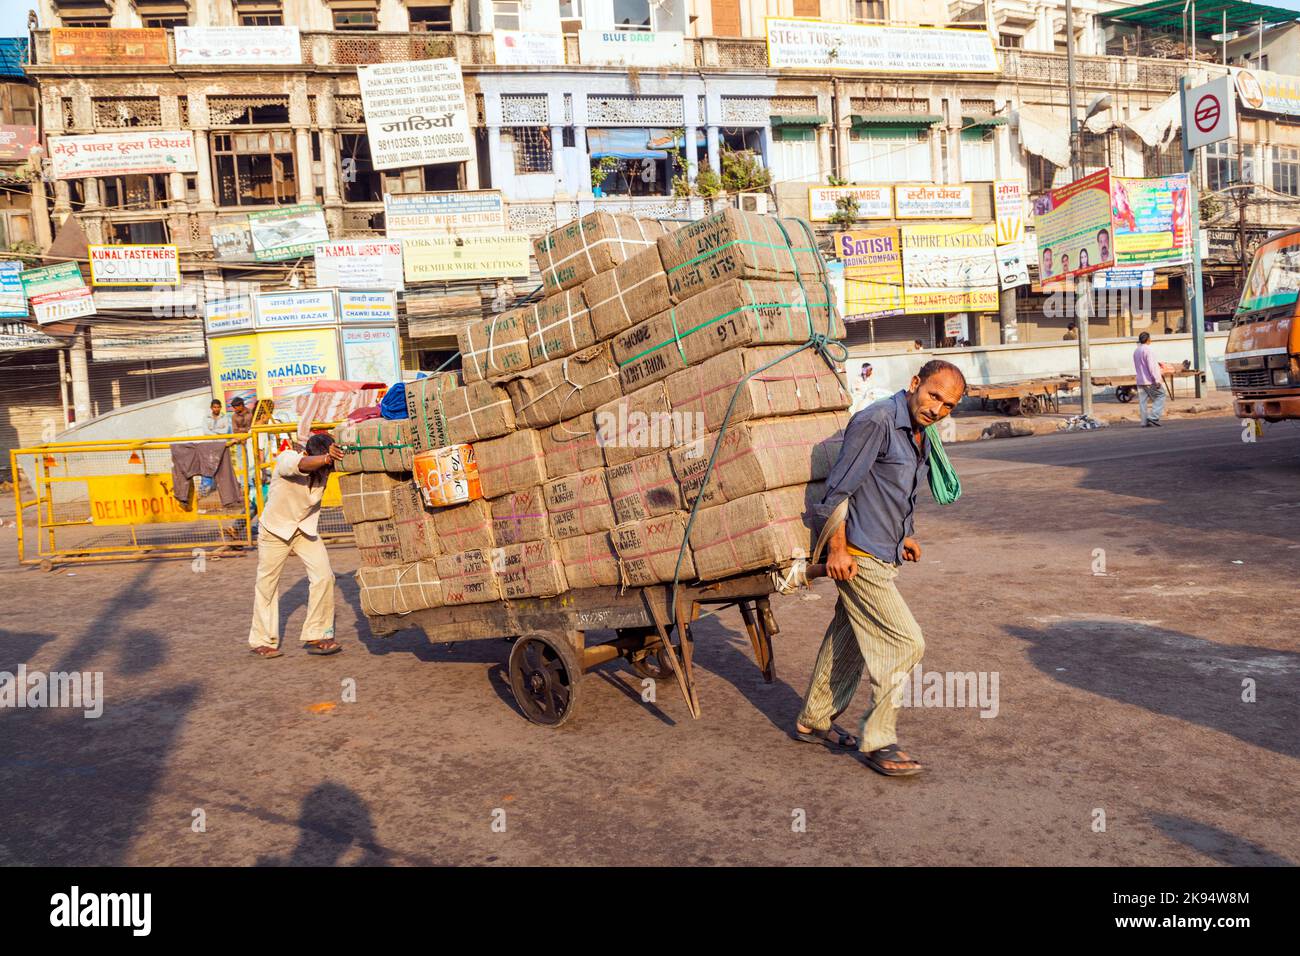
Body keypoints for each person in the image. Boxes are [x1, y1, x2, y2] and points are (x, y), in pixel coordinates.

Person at [795, 360, 966, 777]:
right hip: (858, 553)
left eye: (948, 405)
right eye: (933, 396)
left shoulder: (919, 431)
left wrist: (905, 533)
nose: (938, 409)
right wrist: (837, 549)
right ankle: (879, 738)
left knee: (849, 636)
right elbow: (839, 488)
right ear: (914, 384)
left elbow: (894, 488)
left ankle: (813, 719)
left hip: (882, 550)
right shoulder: (877, 421)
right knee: (905, 643)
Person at [248, 432, 345, 658]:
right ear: (311, 454)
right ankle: (262, 640)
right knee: (267, 585)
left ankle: (318, 633)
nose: (326, 472)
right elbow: (302, 464)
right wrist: (325, 460)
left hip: (304, 529)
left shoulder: (325, 468)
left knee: (324, 576)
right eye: (324, 463)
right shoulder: (288, 458)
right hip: (275, 529)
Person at [1133, 331, 1166, 427]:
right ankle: (1153, 416)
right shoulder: (1148, 350)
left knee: (1143, 401)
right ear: (1148, 340)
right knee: (1161, 395)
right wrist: (1157, 380)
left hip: (1140, 380)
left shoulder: (1136, 351)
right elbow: (1152, 367)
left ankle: (1144, 422)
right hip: (1149, 380)